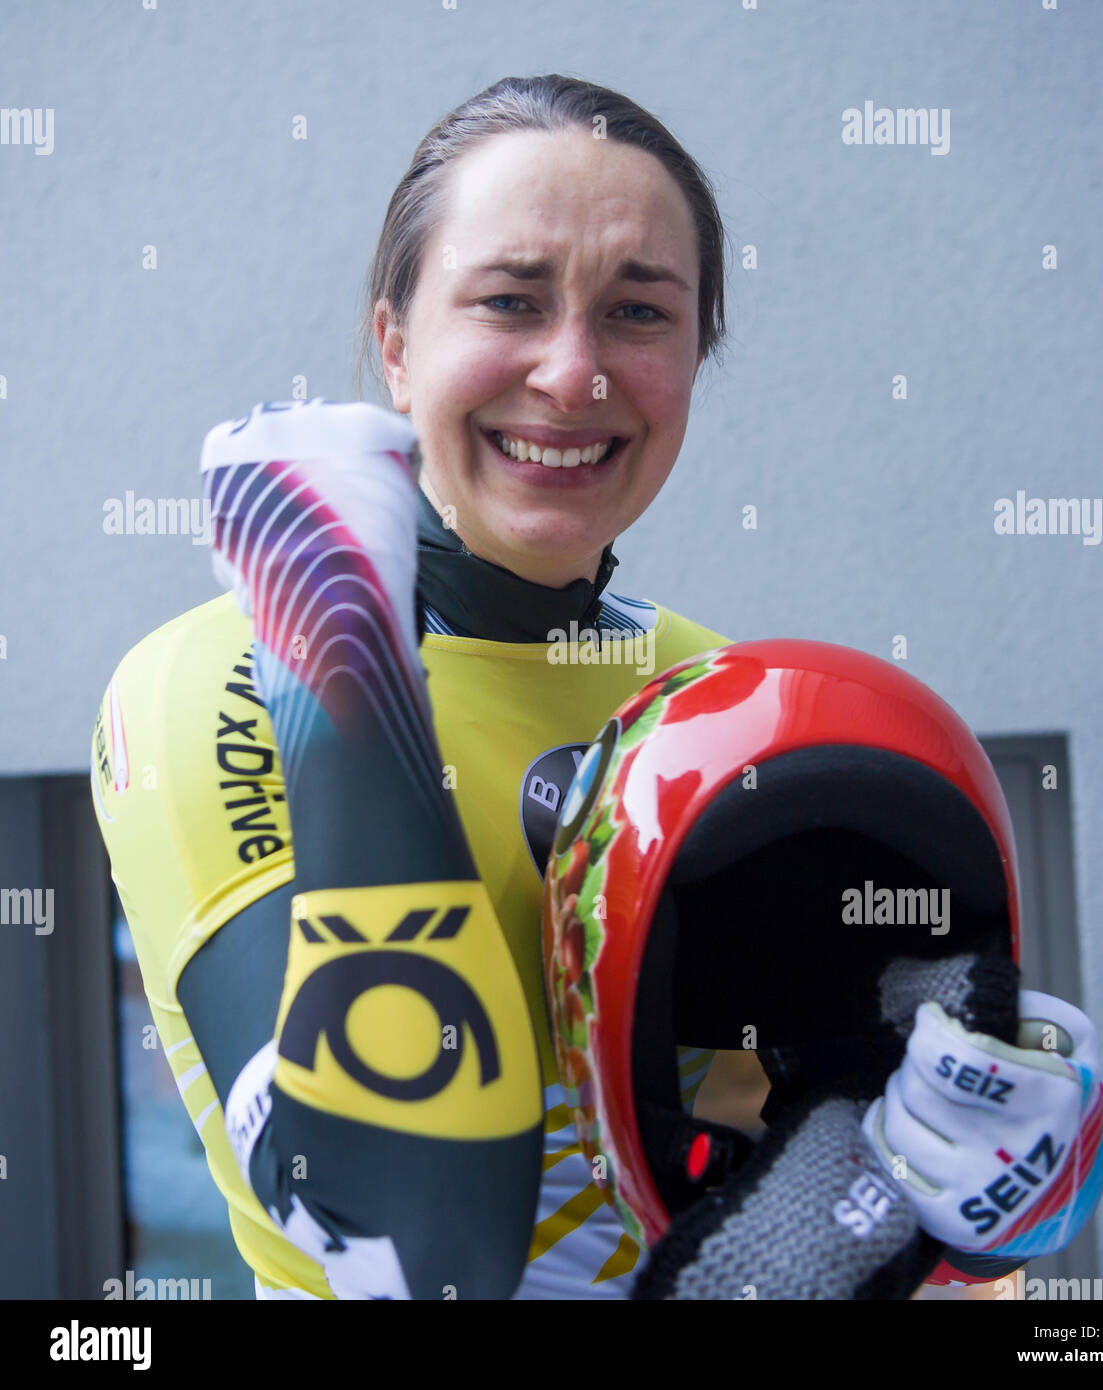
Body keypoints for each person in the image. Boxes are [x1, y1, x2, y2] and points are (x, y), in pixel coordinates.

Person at [92, 72, 748, 1300]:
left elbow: (783, 1132)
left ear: (693, 356)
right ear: (395, 346)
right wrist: (340, 664)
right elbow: (404, 1242)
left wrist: (973, 1152)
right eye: (509, 300)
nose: (572, 373)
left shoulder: (718, 693)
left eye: (637, 312)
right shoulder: (219, 676)